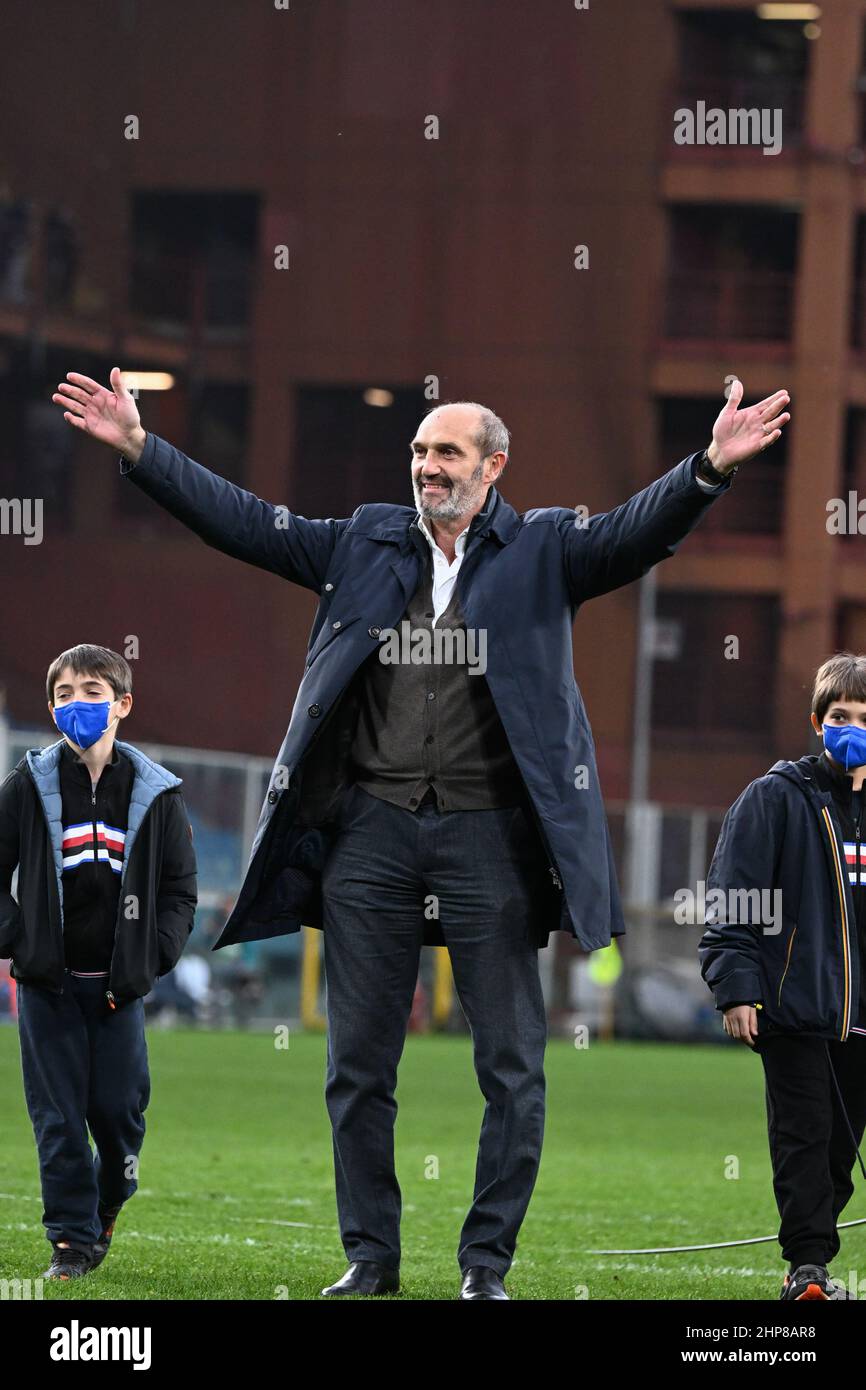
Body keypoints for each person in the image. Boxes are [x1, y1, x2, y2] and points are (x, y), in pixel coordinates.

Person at [51, 367, 789, 1299]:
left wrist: (708, 470)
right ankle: (371, 1258)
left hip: (491, 837)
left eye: (446, 452)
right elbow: (244, 522)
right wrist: (141, 449)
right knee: (357, 1065)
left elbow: (635, 533)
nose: (427, 466)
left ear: (493, 466)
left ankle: (485, 1265)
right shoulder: (363, 540)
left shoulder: (546, 547)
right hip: (371, 835)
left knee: (511, 1065)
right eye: (419, 451)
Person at [0, 644, 197, 1280]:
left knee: (118, 1116)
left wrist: (152, 957)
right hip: (47, 989)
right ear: (50, 707)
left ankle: (108, 1202)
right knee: (58, 1120)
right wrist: (20, 938)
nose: (77, 704)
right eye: (64, 694)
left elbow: (179, 889)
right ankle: (71, 1243)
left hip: (118, 991)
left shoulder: (157, 794)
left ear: (122, 704)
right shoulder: (27, 784)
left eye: (92, 692)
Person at [699, 652, 866, 1301]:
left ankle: (811, 1256)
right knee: (804, 1136)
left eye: (864, 718)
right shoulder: (776, 798)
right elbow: (733, 897)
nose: (852, 729)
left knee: (839, 1153)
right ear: (818, 723)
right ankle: (809, 1272)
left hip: (861, 1017)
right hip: (796, 1006)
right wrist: (736, 986)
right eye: (841, 717)